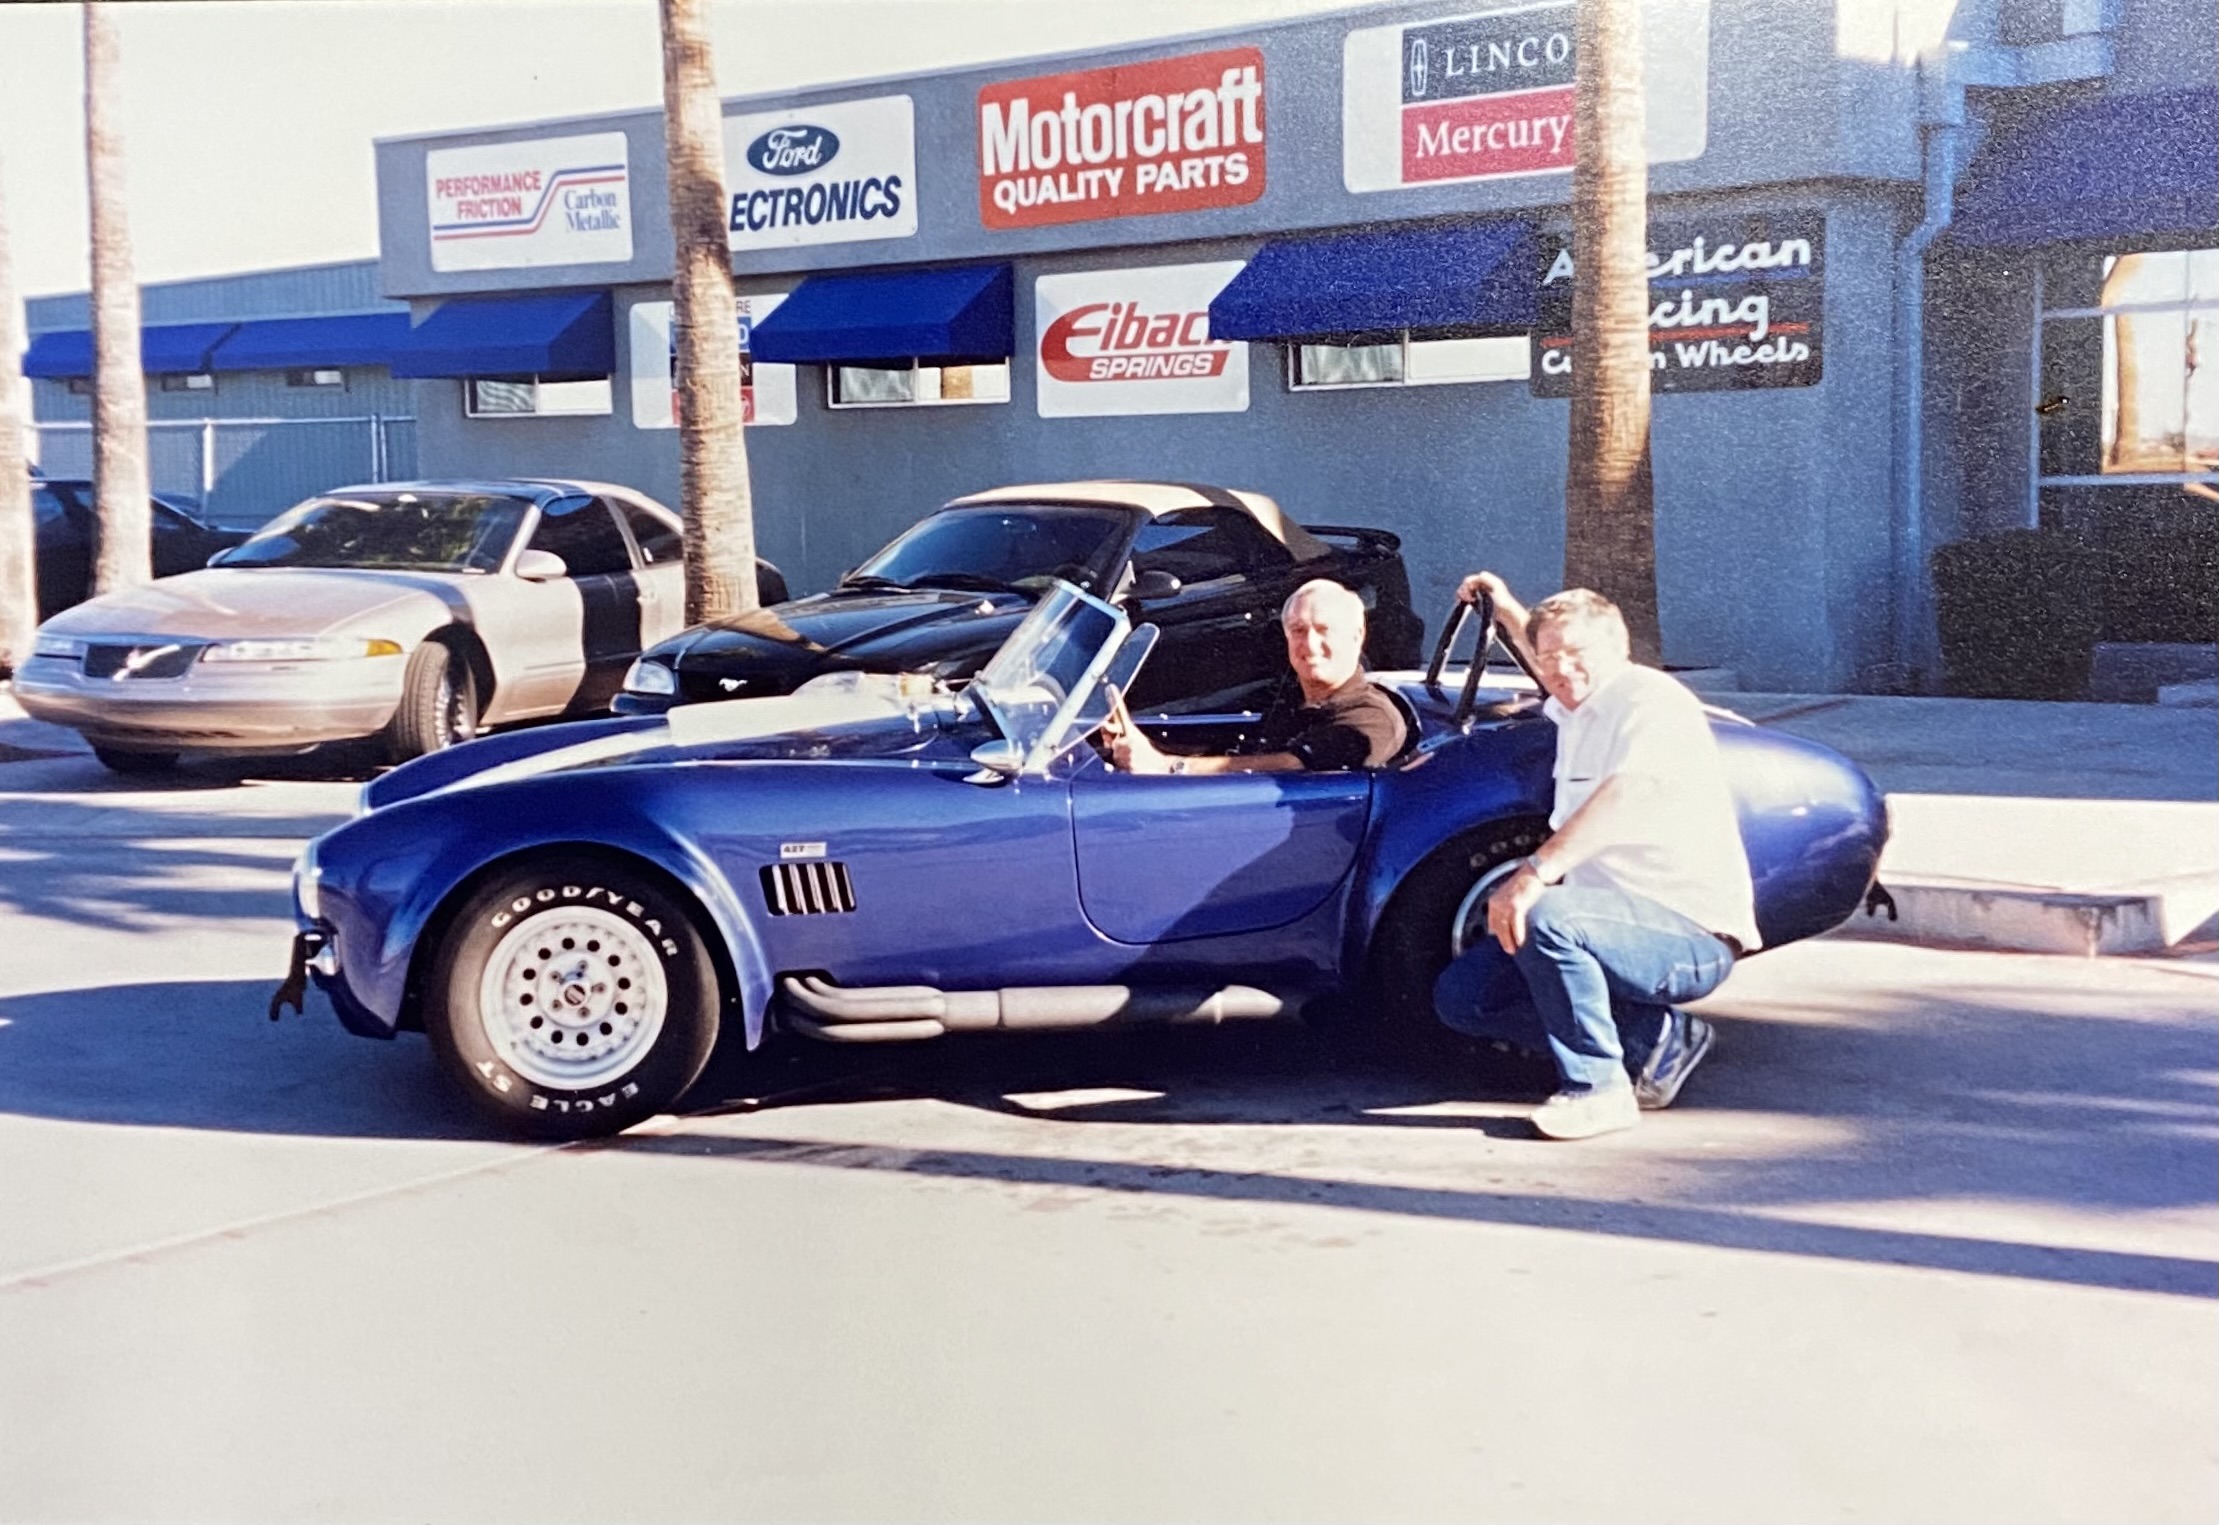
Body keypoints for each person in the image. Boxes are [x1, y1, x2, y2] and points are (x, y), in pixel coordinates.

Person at [1433, 573, 1759, 1141]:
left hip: (1687, 934)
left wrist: (1533, 873)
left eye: (1578, 652)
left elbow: (1629, 791)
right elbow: (1554, 666)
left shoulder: (1648, 700)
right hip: (1606, 925)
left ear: (1620, 649)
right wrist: (1509, 610)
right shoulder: (1576, 710)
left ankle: (1598, 1089)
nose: (1562, 667)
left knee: (1543, 915)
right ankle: (1656, 1040)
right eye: (1550, 655)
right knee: (1463, 998)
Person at [1104, 578, 1406, 774]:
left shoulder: (1371, 716)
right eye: (1299, 631)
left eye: (1325, 630)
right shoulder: (1286, 697)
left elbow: (1293, 766)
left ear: (1357, 636)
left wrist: (1168, 767)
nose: (1310, 644)